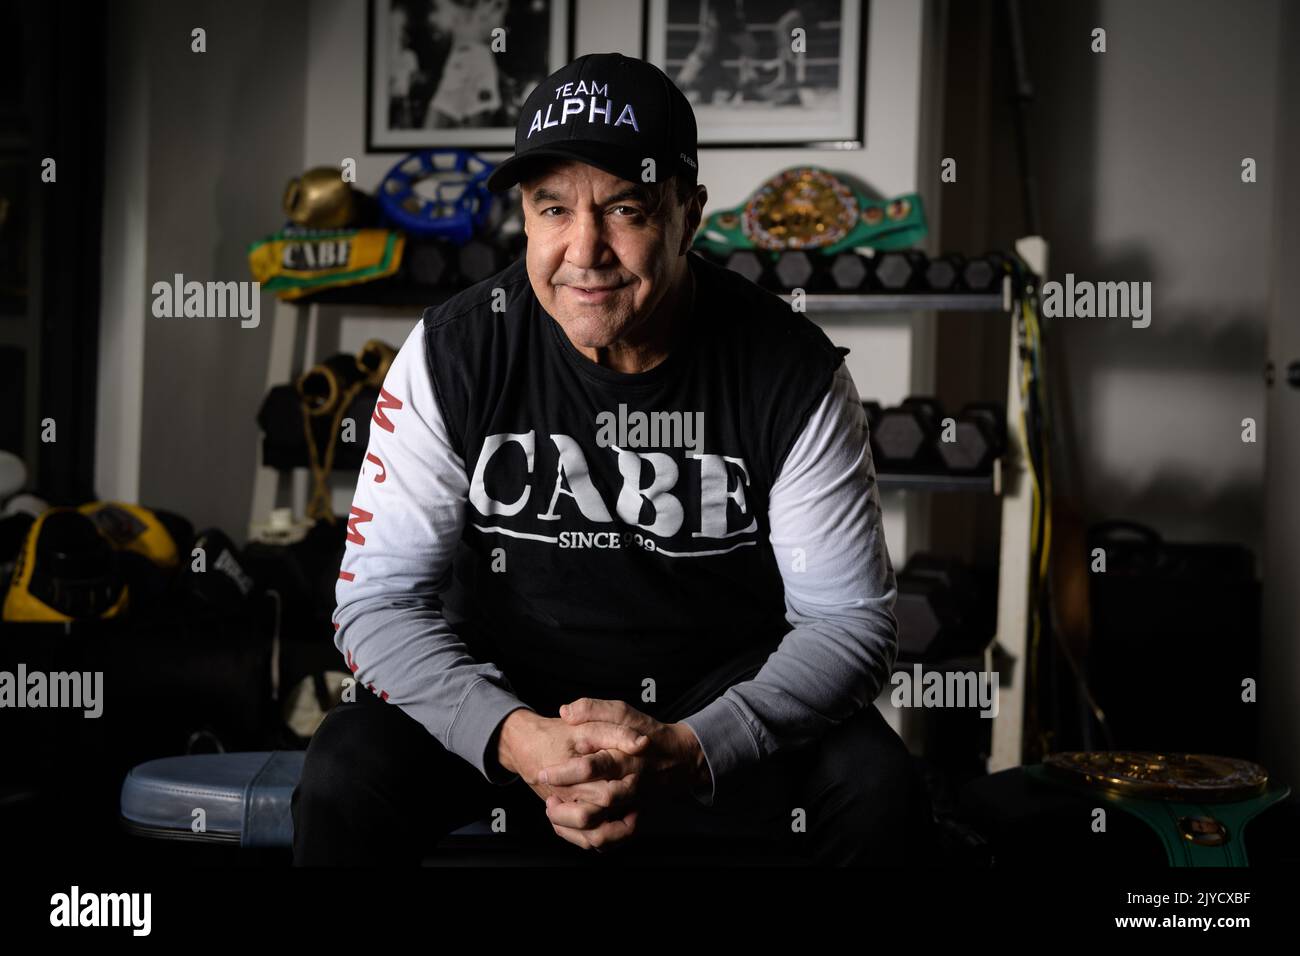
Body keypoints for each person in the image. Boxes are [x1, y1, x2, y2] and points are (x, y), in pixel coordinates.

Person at [291, 51, 934, 866]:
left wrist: (696, 747)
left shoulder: (790, 370)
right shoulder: (453, 352)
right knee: (346, 769)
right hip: (507, 695)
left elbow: (849, 624)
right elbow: (377, 603)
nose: (583, 250)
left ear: (688, 212)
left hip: (718, 705)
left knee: (876, 786)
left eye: (626, 210)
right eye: (552, 208)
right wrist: (511, 735)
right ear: (524, 215)